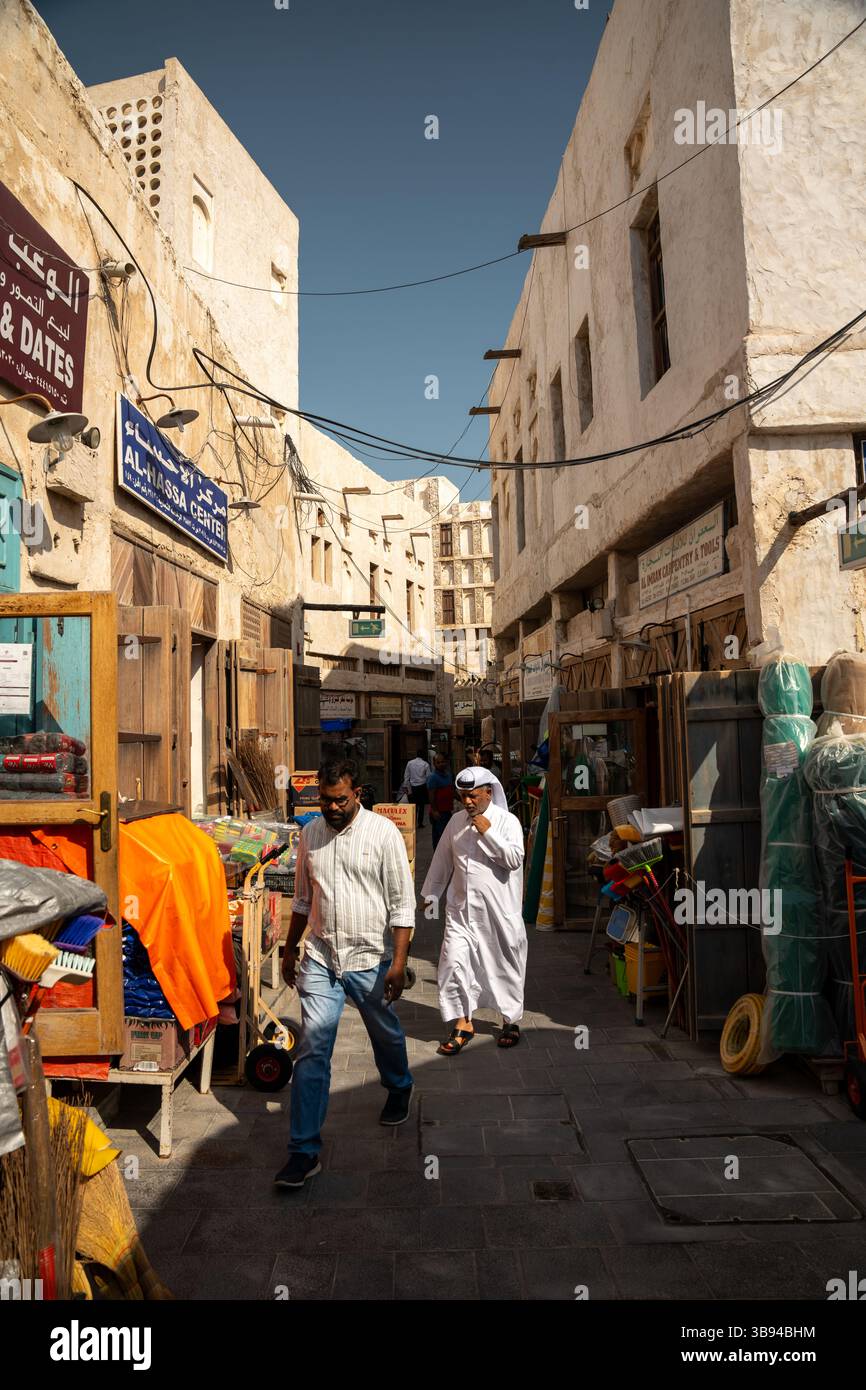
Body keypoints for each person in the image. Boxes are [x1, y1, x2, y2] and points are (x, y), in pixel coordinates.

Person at [275, 758, 415, 1189]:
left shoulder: (383, 833)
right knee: (314, 1049)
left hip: (370, 957)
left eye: (340, 800)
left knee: (385, 1031)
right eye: (325, 799)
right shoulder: (311, 834)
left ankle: (398, 1084)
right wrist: (289, 946)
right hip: (321, 955)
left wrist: (398, 963)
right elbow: (302, 898)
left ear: (357, 794)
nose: (332, 808)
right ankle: (303, 1152)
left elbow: (402, 904)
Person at [421, 764, 527, 1055]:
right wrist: (431, 894)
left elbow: (514, 859)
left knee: (503, 966)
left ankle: (510, 1020)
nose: (467, 802)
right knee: (453, 963)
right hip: (460, 913)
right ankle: (463, 1023)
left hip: (498, 914)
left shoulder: (507, 822)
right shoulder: (455, 822)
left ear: (488, 793)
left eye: (472, 796)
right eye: (463, 796)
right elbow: (442, 860)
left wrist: (488, 833)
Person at [427, 752, 455, 849]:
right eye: (438, 762)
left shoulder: (448, 775)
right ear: (434, 764)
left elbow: (452, 790)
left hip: (447, 811)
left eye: (443, 762)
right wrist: (434, 811)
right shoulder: (433, 777)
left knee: (447, 835)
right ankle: (438, 858)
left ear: (446, 762)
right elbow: (431, 796)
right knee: (439, 837)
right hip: (438, 812)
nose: (441, 764)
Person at [403, 746, 431, 828]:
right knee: (421, 806)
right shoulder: (425, 764)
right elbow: (428, 777)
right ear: (423, 756)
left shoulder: (410, 763)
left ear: (417, 755)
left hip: (412, 787)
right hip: (422, 787)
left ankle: (412, 822)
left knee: (413, 805)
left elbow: (406, 776)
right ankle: (420, 823)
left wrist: (406, 787)